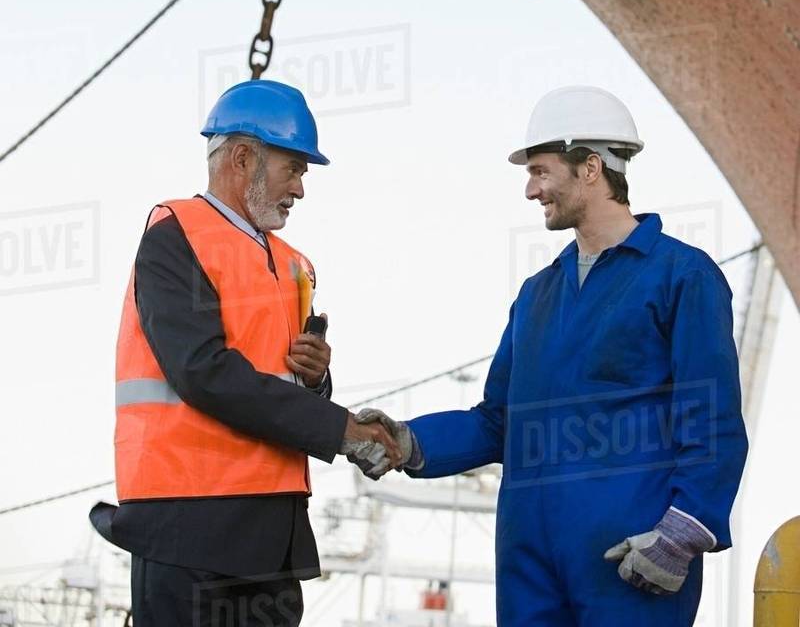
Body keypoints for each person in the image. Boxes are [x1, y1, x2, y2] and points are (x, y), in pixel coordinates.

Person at [354, 86, 749, 626]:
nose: (530, 189)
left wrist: (684, 531)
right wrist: (410, 442)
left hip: (630, 560)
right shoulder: (537, 293)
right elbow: (498, 422)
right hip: (530, 561)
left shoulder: (684, 276)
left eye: (540, 171)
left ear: (590, 168)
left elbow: (713, 418)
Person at [90, 79, 400, 627]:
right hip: (189, 525)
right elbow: (202, 372)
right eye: (294, 168)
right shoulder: (176, 232)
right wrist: (341, 429)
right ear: (241, 158)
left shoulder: (294, 262)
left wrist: (315, 379)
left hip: (271, 536)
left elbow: (276, 378)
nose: (300, 188)